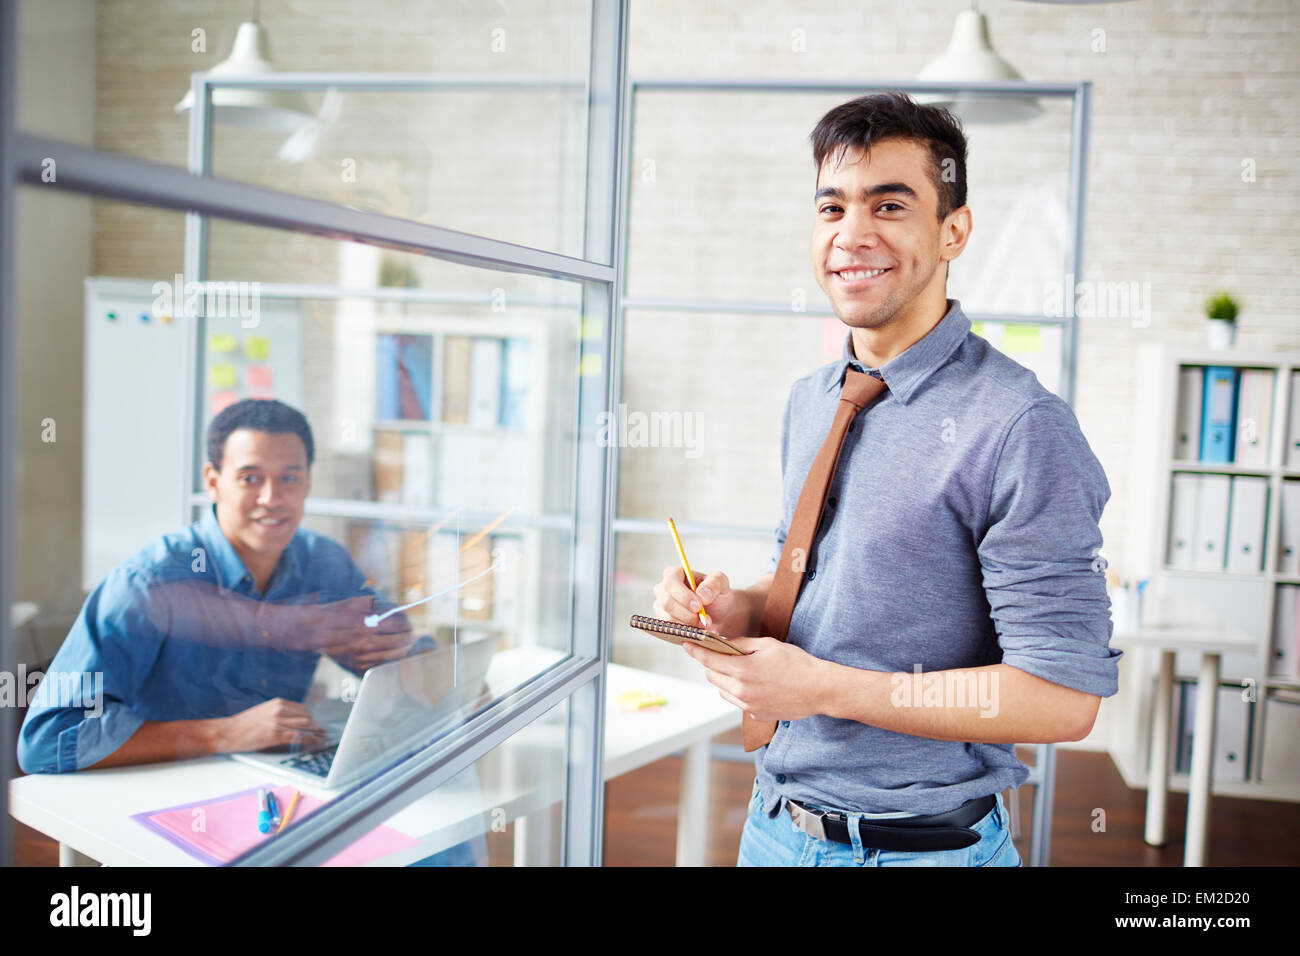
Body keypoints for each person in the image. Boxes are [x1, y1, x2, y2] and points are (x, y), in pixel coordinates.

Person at [653, 92, 1121, 867]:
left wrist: (825, 689)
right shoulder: (813, 398)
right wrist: (735, 608)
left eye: (889, 205)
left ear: (953, 231)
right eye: (831, 207)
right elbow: (831, 591)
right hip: (773, 827)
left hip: (918, 851)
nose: (852, 234)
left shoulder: (1020, 427)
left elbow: (1064, 700)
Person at [18, 398, 485, 864]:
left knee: (436, 838)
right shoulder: (147, 583)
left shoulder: (321, 563)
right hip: (167, 805)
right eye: (250, 478)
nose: (272, 498)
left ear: (307, 484)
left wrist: (442, 676)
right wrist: (225, 733)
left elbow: (395, 646)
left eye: (289, 478)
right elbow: (46, 740)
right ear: (213, 482)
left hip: (277, 793)